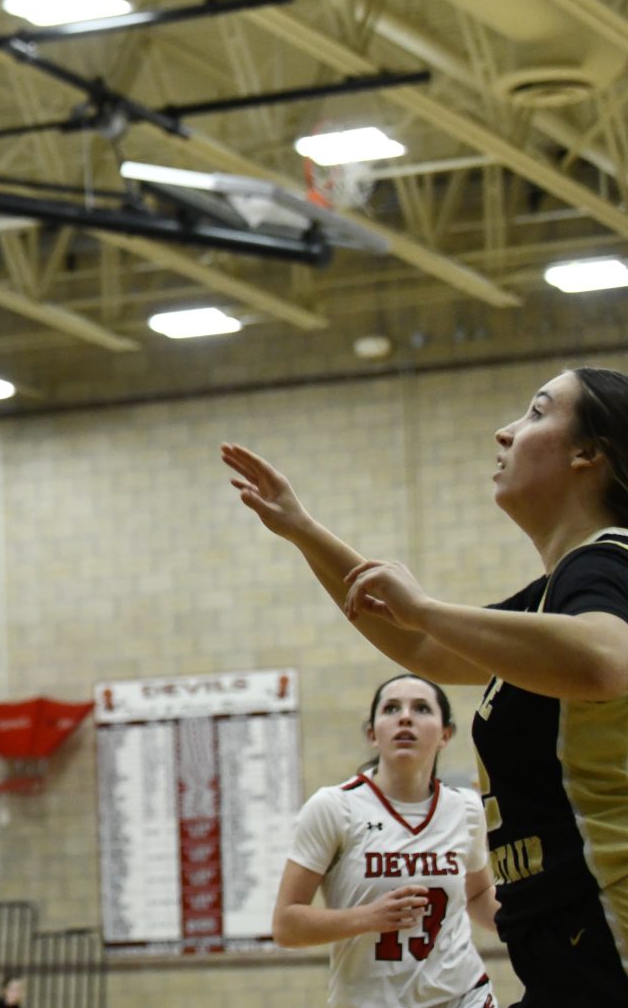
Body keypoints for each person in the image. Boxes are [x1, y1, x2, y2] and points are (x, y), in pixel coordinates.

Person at [226, 365, 628, 1001]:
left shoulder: (608, 561)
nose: (505, 432)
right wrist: (303, 529)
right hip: (568, 960)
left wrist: (427, 608)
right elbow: (419, 645)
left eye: (536, 412)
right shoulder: (552, 598)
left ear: (588, 452)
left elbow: (607, 660)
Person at [273, 675, 494, 1007]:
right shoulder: (334, 808)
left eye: (421, 708)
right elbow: (287, 925)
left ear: (445, 734)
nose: (405, 716)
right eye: (391, 708)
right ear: (372, 734)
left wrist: (543, 931)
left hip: (464, 994)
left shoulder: (466, 808)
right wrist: (369, 917)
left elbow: (477, 894)